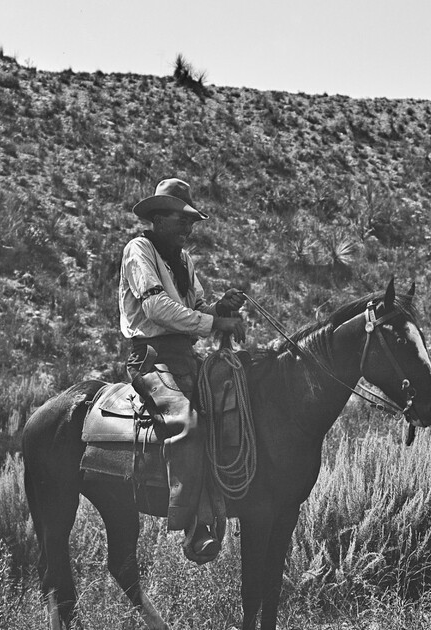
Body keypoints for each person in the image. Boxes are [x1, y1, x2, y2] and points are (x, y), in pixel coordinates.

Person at [119, 177, 248, 563]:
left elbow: (198, 307)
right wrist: (215, 325)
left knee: (234, 407)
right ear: (158, 218)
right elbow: (157, 309)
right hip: (151, 356)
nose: (188, 229)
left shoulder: (184, 259)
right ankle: (194, 527)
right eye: (181, 220)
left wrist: (220, 309)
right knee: (188, 423)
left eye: (190, 222)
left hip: (185, 357)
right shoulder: (138, 250)